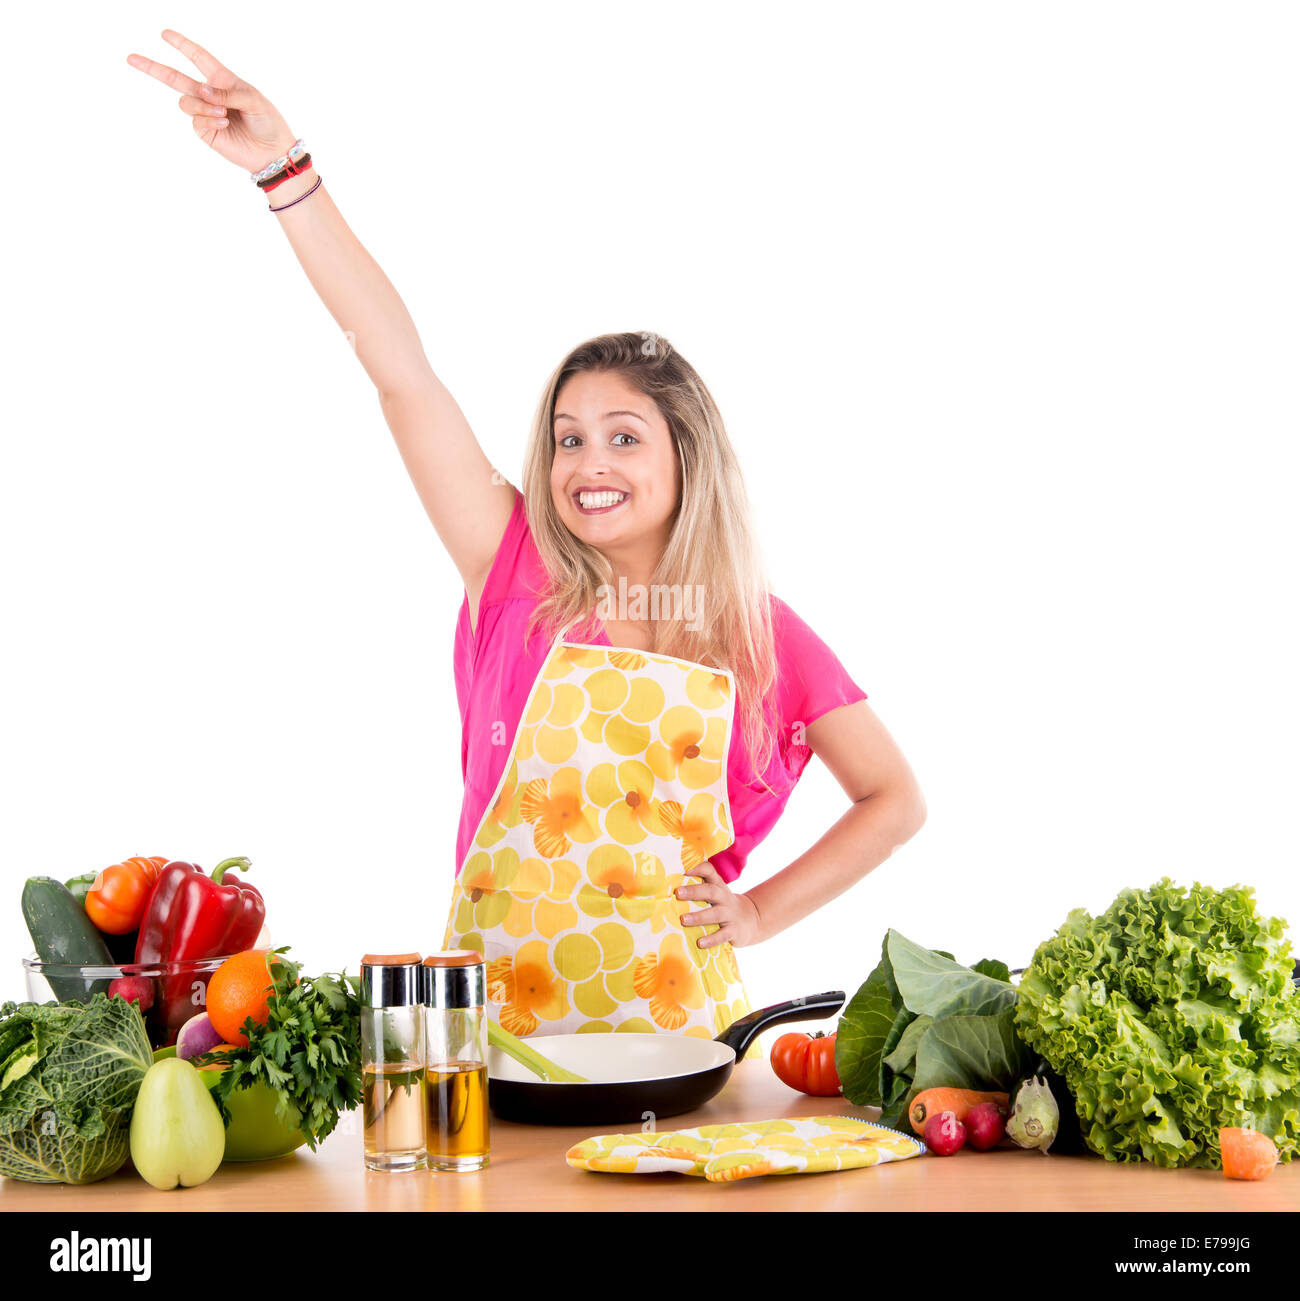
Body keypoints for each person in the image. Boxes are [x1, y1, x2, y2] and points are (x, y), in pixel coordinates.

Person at [127, 31, 928, 1045]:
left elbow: (893, 798)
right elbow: (399, 367)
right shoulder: (510, 567)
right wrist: (287, 173)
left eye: (623, 438)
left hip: (678, 1036)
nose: (589, 463)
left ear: (689, 456)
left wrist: (761, 911)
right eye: (567, 439)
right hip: (487, 1035)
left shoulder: (754, 630)